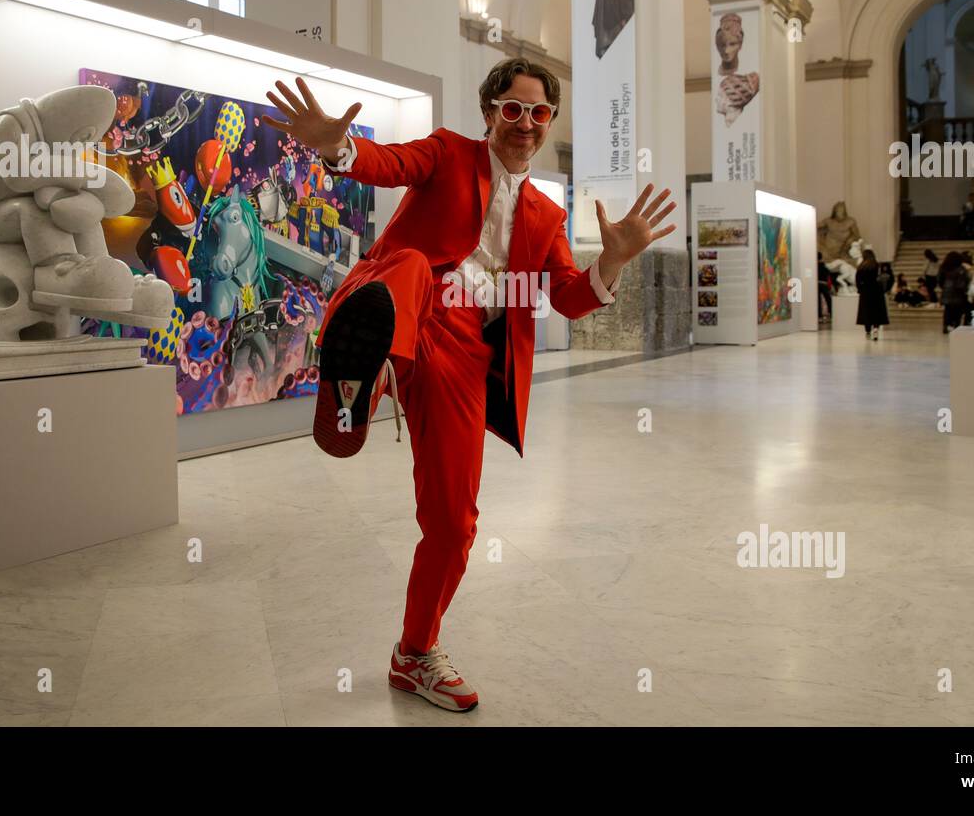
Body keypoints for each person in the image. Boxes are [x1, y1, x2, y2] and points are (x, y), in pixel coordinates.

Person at [261, 59, 675, 712]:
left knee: (454, 526)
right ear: (489, 112)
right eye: (512, 109)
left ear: (549, 124)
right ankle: (356, 386)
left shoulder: (544, 211)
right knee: (413, 266)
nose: (525, 124)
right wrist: (338, 149)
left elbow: (564, 298)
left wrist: (613, 259)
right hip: (406, 300)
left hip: (464, 353)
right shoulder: (448, 154)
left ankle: (414, 654)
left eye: (539, 113)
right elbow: (386, 162)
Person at [855, 248, 888, 339]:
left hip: (865, 291)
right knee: (877, 310)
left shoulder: (861, 267)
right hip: (877, 291)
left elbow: (858, 280)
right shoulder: (877, 266)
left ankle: (867, 330)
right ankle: (876, 328)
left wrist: (860, 289)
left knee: (866, 311)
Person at [938, 251, 973, 332]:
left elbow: (940, 280)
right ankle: (955, 326)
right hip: (958, 294)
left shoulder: (944, 267)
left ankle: (946, 325)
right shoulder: (961, 269)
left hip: (946, 292)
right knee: (957, 311)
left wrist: (944, 287)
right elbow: (962, 283)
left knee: (947, 310)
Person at [816, 251, 833, 323]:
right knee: (828, 299)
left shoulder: (815, 266)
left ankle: (819, 316)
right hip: (824, 284)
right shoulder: (824, 266)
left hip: (817, 284)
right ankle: (831, 314)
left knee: (817, 300)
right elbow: (828, 274)